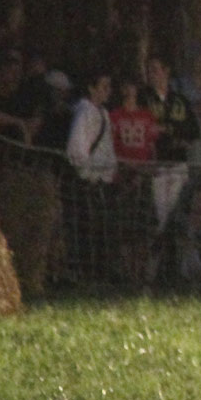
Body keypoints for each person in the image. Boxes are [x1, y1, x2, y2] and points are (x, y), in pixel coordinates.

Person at [64, 72, 117, 277]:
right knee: (88, 230)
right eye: (103, 86)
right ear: (91, 88)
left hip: (102, 181)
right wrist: (89, 172)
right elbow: (76, 150)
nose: (108, 91)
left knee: (100, 230)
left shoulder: (102, 113)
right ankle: (87, 272)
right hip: (90, 182)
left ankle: (99, 271)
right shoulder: (85, 113)